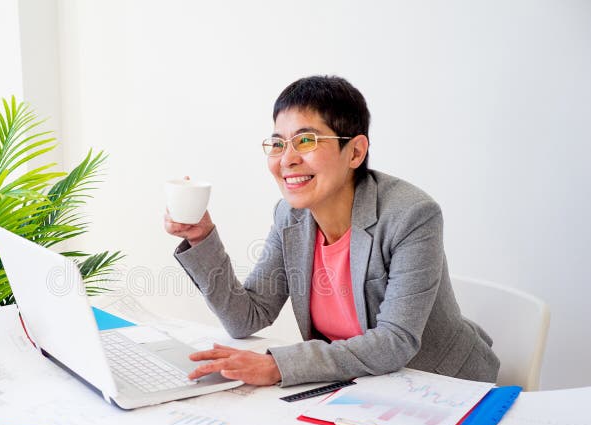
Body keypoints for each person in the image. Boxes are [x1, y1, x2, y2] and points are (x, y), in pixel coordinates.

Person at [164, 75, 499, 387]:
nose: (287, 159)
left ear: (355, 151)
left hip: (442, 385)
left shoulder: (412, 215)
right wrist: (200, 237)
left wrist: (277, 365)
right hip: (359, 386)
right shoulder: (290, 216)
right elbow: (247, 317)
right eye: (278, 144)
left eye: (306, 141)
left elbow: (395, 341)